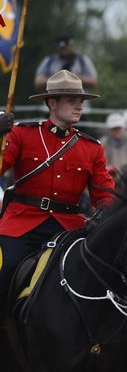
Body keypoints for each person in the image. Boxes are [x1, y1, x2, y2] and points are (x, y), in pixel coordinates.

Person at [0, 71, 115, 303]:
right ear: (52, 103)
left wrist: (104, 214)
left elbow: (105, 195)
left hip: (69, 227)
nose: (79, 107)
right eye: (72, 101)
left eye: (81, 101)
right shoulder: (22, 134)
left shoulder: (92, 147)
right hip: (24, 222)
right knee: (6, 267)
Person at [33, 35, 98, 92]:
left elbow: (94, 81)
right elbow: (38, 82)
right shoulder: (49, 60)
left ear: (72, 45)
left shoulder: (82, 60)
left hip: (79, 102)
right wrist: (56, 77)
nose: (63, 50)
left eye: (65, 47)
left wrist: (74, 77)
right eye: (61, 48)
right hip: (54, 102)